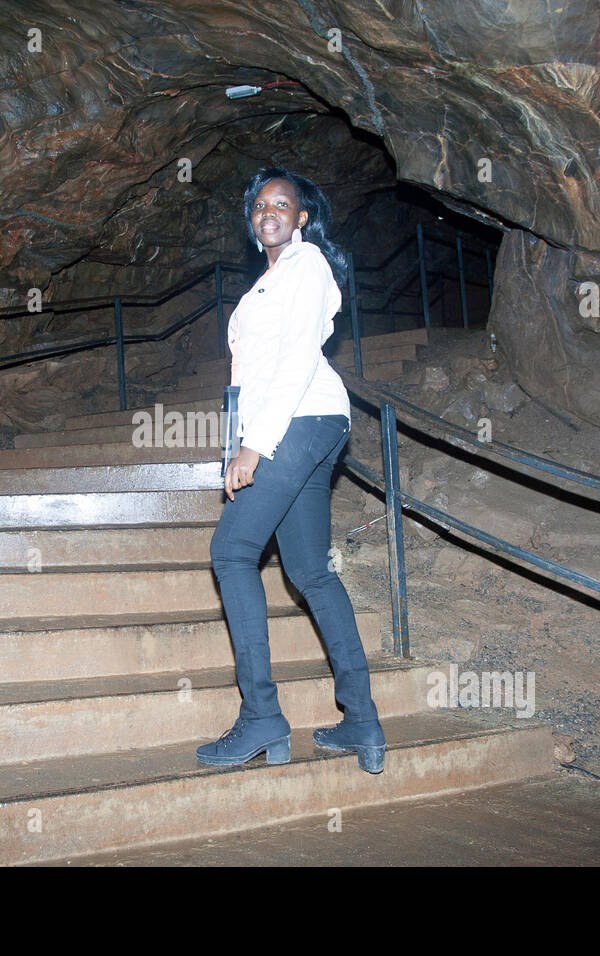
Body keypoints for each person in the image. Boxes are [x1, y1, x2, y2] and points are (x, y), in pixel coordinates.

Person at [196, 168, 386, 774]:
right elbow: (244, 379)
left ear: (302, 217)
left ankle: (261, 718)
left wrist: (256, 446)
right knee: (309, 571)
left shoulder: (306, 268)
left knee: (231, 551)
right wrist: (235, 443)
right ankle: (361, 722)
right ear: (252, 219)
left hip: (301, 421)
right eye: (259, 204)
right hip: (306, 424)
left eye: (283, 203)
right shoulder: (266, 284)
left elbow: (299, 359)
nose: (269, 211)